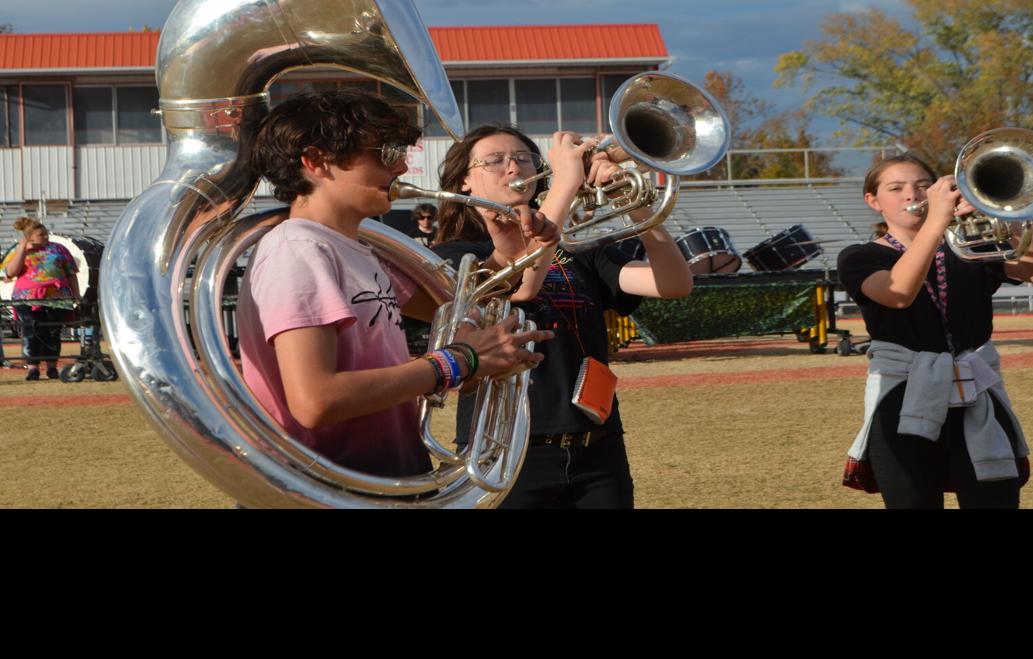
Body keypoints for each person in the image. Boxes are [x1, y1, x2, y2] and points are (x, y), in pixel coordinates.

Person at [236, 90, 555, 478]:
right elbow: (315, 400)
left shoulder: (360, 249)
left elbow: (459, 308)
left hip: (386, 480)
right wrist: (458, 361)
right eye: (385, 154)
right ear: (317, 162)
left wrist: (506, 258)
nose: (402, 167)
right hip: (337, 489)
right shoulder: (299, 249)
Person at [430, 124, 693, 508]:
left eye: (523, 159)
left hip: (597, 447)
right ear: (463, 182)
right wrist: (565, 186)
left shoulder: (579, 248)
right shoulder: (456, 255)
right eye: (495, 160)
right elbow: (520, 284)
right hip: (505, 450)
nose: (514, 168)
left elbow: (673, 283)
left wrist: (633, 202)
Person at [837, 155, 1033, 508]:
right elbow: (897, 293)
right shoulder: (858, 256)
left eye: (923, 185)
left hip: (977, 391)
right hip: (901, 396)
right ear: (874, 201)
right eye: (895, 188)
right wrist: (937, 222)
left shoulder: (971, 246)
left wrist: (1002, 215)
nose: (911, 194)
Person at [2, 217, 81, 381]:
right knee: (31, 330)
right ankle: (33, 368)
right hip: (27, 298)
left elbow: (71, 273)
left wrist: (76, 295)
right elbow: (10, 273)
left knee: (52, 332)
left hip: (57, 297)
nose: (46, 237)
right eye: (41, 235)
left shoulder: (59, 249)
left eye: (46, 234)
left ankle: (52, 368)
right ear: (29, 237)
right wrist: (22, 249)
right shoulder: (19, 250)